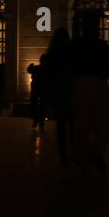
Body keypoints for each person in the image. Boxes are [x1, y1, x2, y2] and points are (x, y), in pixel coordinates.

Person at [69, 25, 109, 173]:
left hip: (79, 85)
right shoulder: (102, 46)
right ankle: (96, 153)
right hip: (98, 85)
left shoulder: (75, 47)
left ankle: (85, 157)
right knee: (103, 124)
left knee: (81, 124)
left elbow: (67, 70)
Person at [41, 30, 73, 167]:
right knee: (73, 125)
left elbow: (46, 76)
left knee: (60, 126)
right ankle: (75, 154)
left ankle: (64, 157)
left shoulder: (51, 56)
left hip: (57, 93)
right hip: (71, 92)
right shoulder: (71, 53)